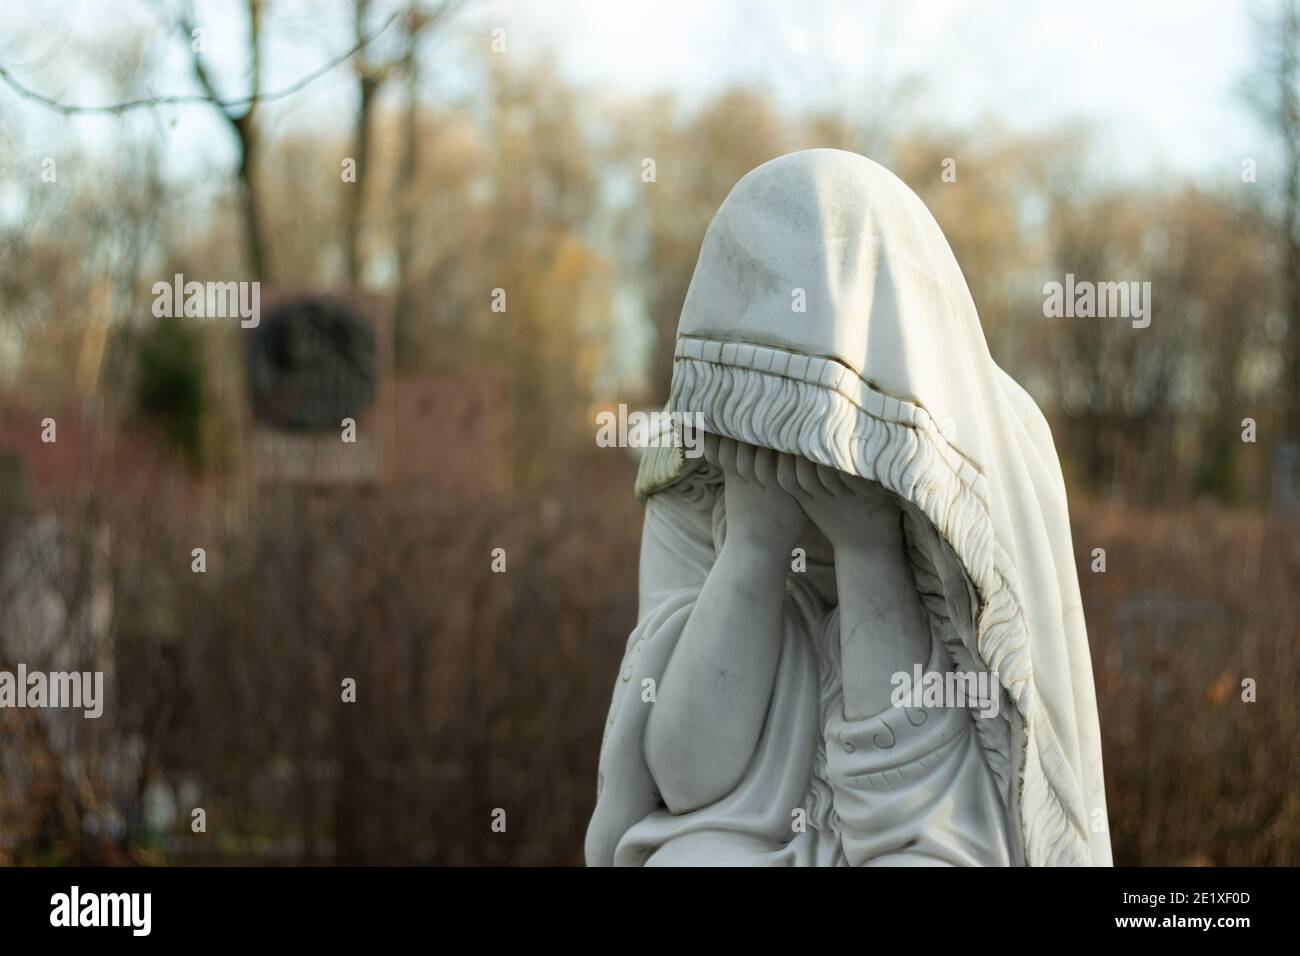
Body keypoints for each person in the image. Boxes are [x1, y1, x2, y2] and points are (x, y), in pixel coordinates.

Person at [586, 149, 1112, 867]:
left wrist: (869, 553)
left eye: (801, 388)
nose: (778, 429)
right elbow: (684, 782)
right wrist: (753, 551)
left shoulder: (984, 455)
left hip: (922, 828)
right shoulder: (707, 462)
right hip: (739, 836)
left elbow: (954, 818)